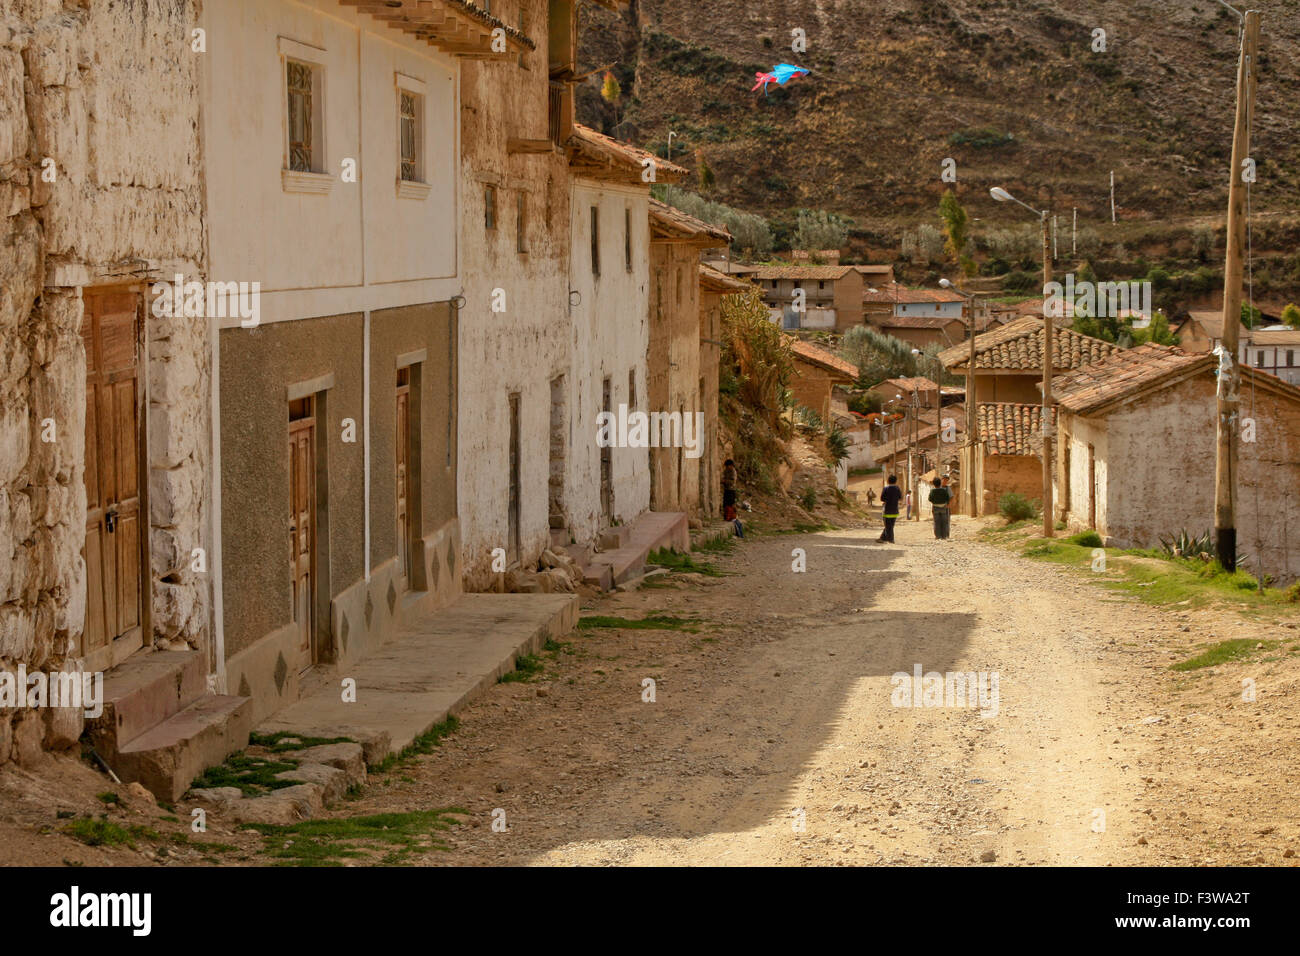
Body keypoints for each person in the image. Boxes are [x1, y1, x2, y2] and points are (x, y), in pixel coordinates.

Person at [878, 475, 902, 543]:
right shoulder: (897, 488)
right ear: (895, 481)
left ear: (888, 481)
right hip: (895, 510)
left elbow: (882, 498)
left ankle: (891, 539)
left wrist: (887, 499)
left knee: (888, 526)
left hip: (887, 510)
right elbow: (900, 497)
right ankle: (882, 538)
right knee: (890, 526)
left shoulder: (886, 488)